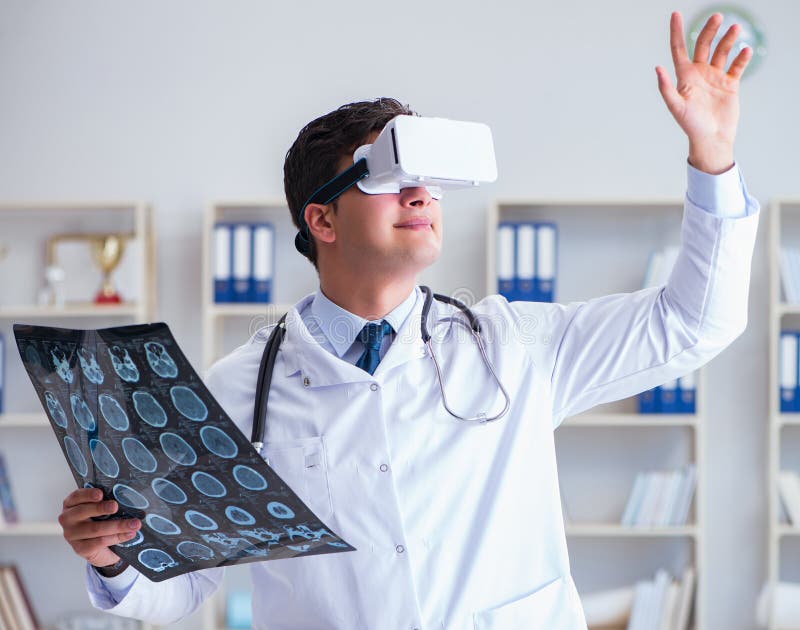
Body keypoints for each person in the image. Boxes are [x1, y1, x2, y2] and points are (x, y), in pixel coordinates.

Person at [60, 12, 758, 629]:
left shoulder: (513, 347)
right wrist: (111, 559)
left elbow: (697, 321)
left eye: (425, 174)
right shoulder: (239, 389)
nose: (420, 191)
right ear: (322, 218)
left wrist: (713, 157)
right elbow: (183, 586)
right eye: (386, 173)